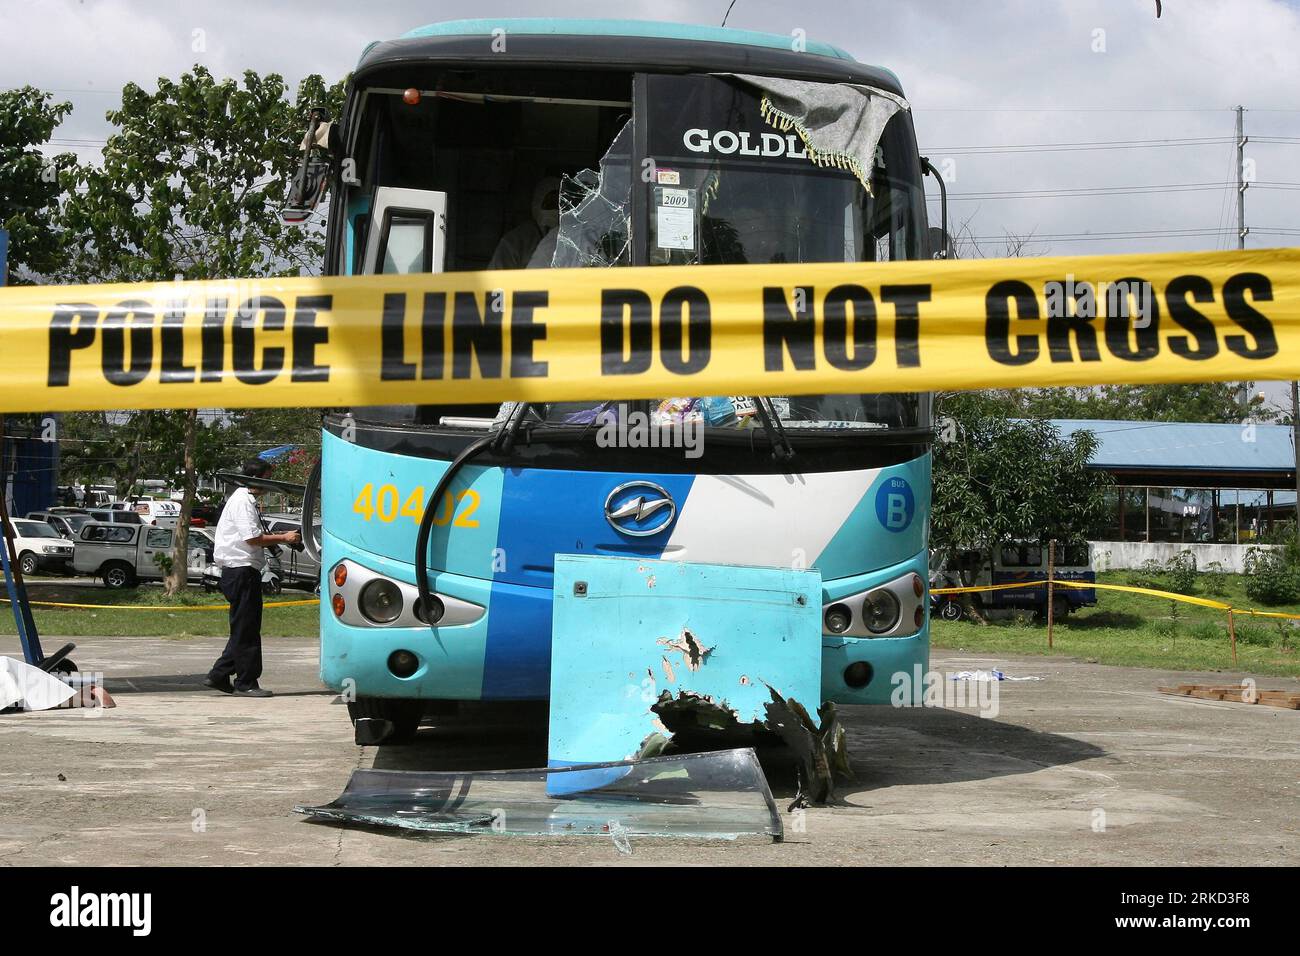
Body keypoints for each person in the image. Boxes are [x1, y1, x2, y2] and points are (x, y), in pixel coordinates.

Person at [203, 457, 300, 697]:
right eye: (267, 480)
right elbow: (252, 539)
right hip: (240, 570)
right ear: (256, 479)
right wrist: (284, 537)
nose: (269, 486)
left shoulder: (247, 501)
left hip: (244, 570)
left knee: (244, 627)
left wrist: (278, 538)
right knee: (247, 630)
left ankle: (219, 675)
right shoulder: (242, 502)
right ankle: (246, 682)